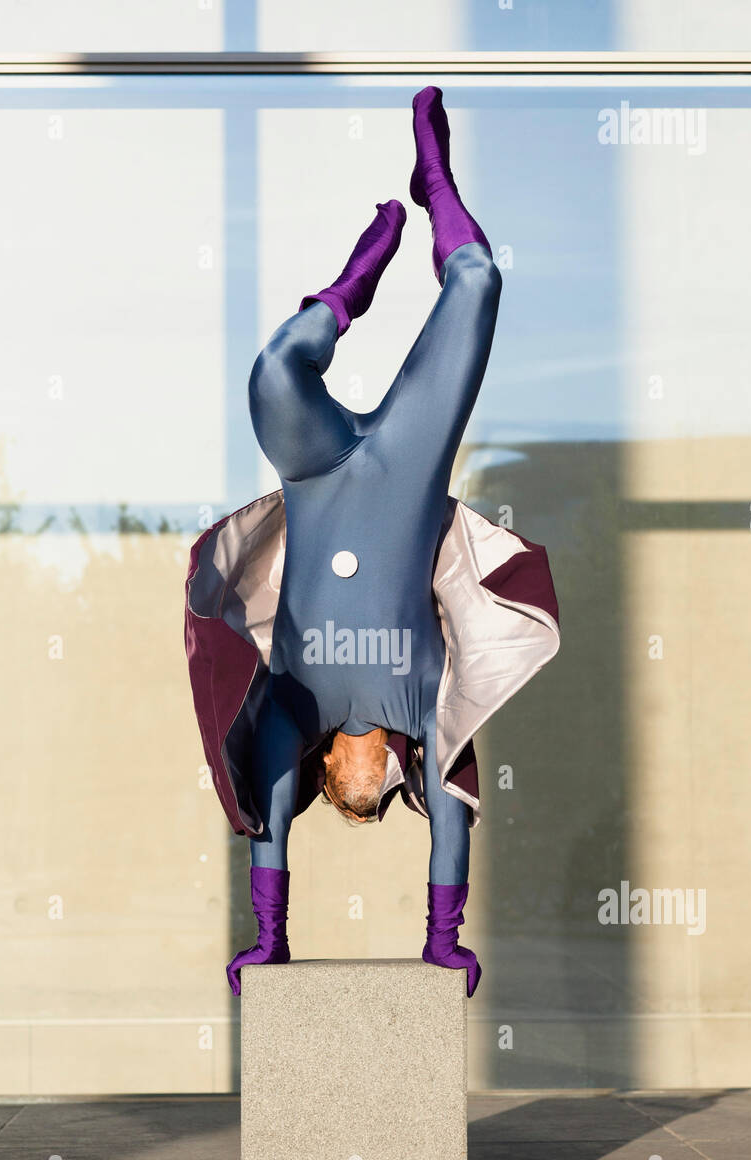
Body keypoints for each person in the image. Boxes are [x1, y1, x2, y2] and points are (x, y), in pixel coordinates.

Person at [184, 88, 560, 1000]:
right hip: (402, 472)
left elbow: (265, 818)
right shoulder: (425, 706)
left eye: (355, 804)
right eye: (387, 799)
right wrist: (444, 940)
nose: (372, 794)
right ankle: (435, 185)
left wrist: (267, 942)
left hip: (316, 476)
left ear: (326, 777)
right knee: (479, 284)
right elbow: (454, 824)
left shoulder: (292, 711)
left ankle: (353, 282)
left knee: (274, 372)